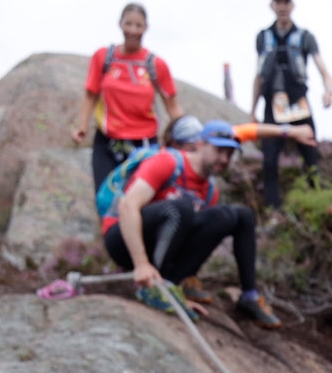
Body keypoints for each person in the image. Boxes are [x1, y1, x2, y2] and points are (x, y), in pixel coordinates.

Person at [101, 120, 281, 329]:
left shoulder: (210, 191)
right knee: (181, 208)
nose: (224, 159)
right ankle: (156, 289)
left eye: (229, 154)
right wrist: (141, 264)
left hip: (162, 248)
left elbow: (190, 238)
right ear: (201, 145)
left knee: (237, 215)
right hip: (123, 238)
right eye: (219, 150)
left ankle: (248, 296)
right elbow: (128, 206)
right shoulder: (168, 162)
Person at [71, 3, 183, 194]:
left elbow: (172, 106)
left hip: (143, 142)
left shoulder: (155, 65)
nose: (133, 30)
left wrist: (185, 136)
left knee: (138, 199)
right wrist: (82, 126)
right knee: (105, 198)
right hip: (107, 140)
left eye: (138, 26)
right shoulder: (104, 57)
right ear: (120, 24)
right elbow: (90, 95)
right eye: (128, 24)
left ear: (146, 28)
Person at [252, 0, 332, 211]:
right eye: (278, 2)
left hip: (298, 102)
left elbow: (323, 70)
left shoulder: (305, 37)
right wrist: (252, 110)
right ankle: (273, 210)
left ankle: (318, 204)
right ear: (272, 6)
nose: (282, 7)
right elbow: (258, 76)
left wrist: (328, 91)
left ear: (292, 5)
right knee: (269, 161)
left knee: (311, 158)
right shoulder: (263, 37)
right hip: (272, 104)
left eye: (285, 2)